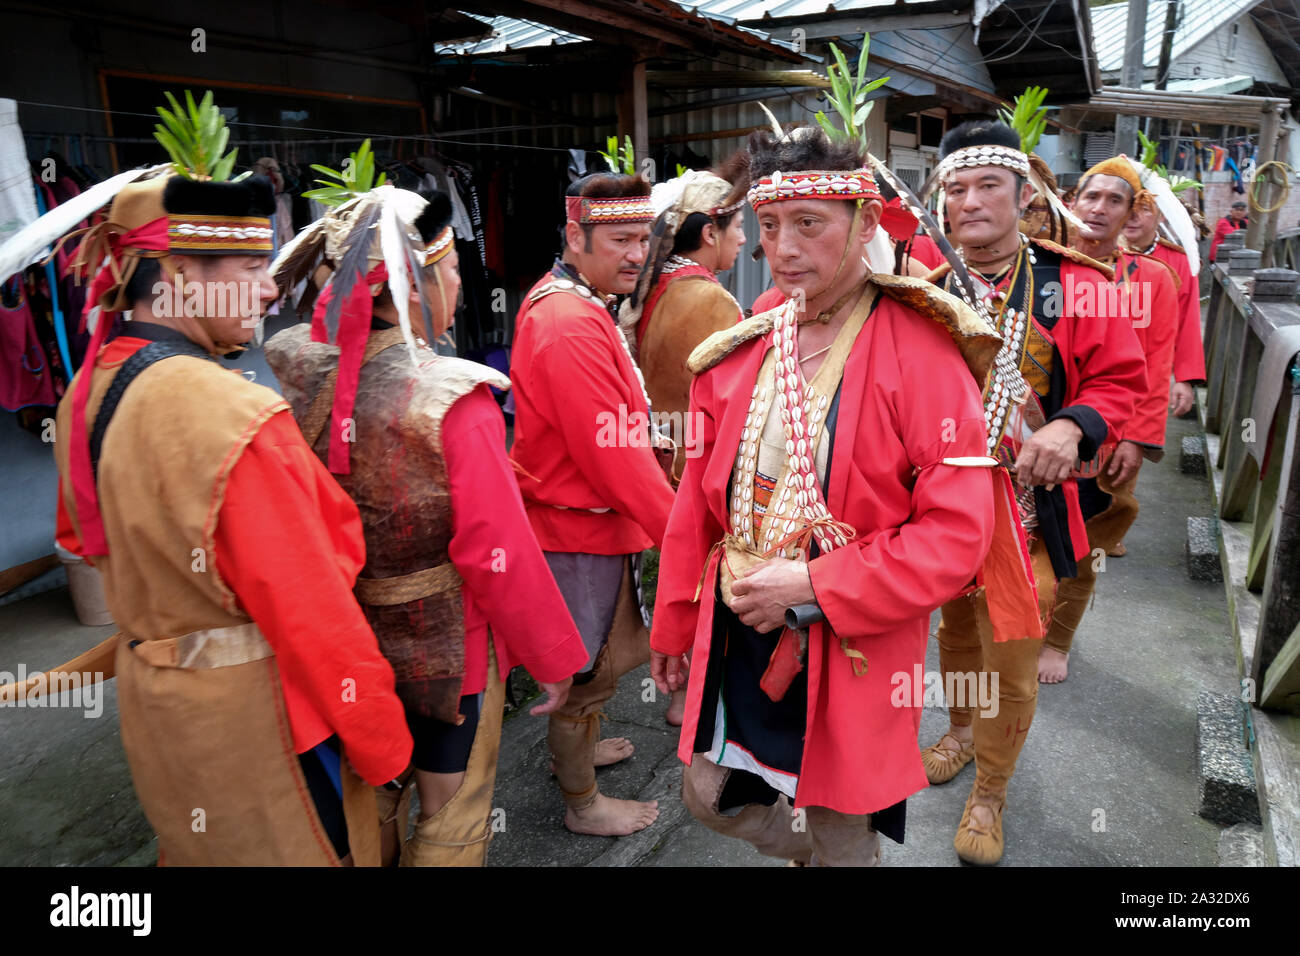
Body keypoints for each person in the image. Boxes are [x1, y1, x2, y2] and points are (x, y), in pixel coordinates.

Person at [11, 95, 414, 865]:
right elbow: (313, 614)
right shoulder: (231, 412)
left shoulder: (88, 389)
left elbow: (82, 540)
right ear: (174, 273)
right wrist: (384, 745)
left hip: (161, 709)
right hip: (262, 724)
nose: (268, 291)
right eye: (252, 268)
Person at [648, 124, 1003, 866]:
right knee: (710, 796)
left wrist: (813, 582)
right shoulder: (741, 345)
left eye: (810, 223)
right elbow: (695, 511)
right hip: (740, 624)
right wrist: (674, 627)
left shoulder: (925, 352)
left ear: (866, 223)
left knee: (844, 823)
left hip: (855, 639)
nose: (783, 248)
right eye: (770, 225)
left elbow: (954, 538)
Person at [264, 176, 588, 866]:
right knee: (453, 802)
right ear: (414, 285)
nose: (462, 289)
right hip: (449, 643)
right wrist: (554, 657)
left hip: (346, 630)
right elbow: (497, 552)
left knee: (373, 782)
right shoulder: (450, 398)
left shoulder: (295, 364)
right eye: (450, 272)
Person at [920, 121, 1147, 863]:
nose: (971, 202)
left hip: (1030, 513)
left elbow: (1123, 380)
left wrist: (1073, 428)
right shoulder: (919, 286)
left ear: (1026, 197)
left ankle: (992, 791)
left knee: (1013, 652)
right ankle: (957, 728)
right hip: (937, 508)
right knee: (952, 632)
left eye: (989, 186)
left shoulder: (1080, 283)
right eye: (957, 188)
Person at [509, 171, 676, 836]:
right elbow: (612, 460)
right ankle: (583, 803)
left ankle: (580, 746)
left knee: (594, 664)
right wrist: (682, 532)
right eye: (621, 238)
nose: (638, 253)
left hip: (581, 523)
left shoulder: (573, 301)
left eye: (645, 238)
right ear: (575, 235)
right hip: (577, 530)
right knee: (587, 672)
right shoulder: (570, 322)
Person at [1037, 156, 1180, 683]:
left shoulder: (1153, 279)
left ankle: (1058, 638)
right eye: (1091, 197)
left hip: (1110, 435)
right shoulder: (1040, 266)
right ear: (1072, 202)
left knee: (1085, 542)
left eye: (1114, 201)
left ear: (1132, 213)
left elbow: (1157, 359)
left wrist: (1137, 440)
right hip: (1036, 427)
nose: (1099, 209)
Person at [617, 168, 746, 728]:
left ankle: (676, 687)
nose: (745, 240)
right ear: (710, 231)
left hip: (662, 460)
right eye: (739, 227)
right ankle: (686, 696)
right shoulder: (710, 301)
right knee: (700, 575)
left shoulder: (655, 290)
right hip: (699, 464)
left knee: (674, 573)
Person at [1122, 188, 1205, 418]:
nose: (1132, 216)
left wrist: (1184, 378)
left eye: (1144, 209)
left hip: (1151, 373)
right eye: (1128, 207)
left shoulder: (1179, 262)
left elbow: (1188, 320)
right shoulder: (1095, 254)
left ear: (1162, 216)